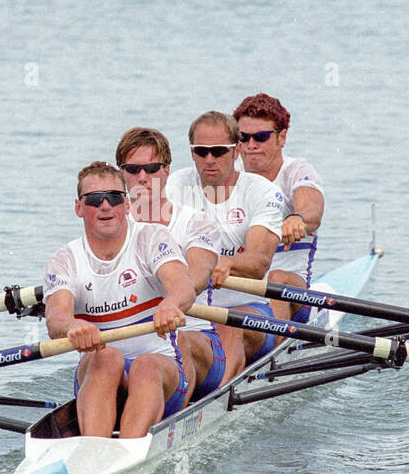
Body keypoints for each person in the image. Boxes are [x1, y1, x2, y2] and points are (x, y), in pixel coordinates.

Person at [43, 162, 195, 439]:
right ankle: (93, 450)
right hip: (100, 375)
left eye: (114, 197)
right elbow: (56, 318)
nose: (105, 206)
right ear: (78, 207)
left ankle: (128, 452)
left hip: (161, 375)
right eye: (93, 199)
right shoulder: (65, 259)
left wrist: (171, 304)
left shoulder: (150, 238)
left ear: (126, 205)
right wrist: (72, 325)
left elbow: (182, 284)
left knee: (145, 364)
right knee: (106, 356)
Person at [165, 111, 285, 375]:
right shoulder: (177, 185)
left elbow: (259, 263)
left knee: (227, 327)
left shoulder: (261, 191)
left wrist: (226, 262)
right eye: (201, 151)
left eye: (219, 151)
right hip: (190, 310)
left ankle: (215, 401)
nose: (209, 159)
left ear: (237, 150)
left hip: (247, 310)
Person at [115, 127, 228, 403]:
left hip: (193, 335)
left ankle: (173, 416)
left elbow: (199, 275)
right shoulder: (109, 228)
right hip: (135, 343)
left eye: (152, 168)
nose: (143, 177)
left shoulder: (196, 222)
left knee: (181, 341)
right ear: (121, 174)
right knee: (102, 358)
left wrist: (173, 302)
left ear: (166, 171)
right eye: (133, 169)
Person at [232, 92, 325, 324]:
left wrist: (298, 219)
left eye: (261, 137)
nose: (251, 145)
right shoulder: (228, 179)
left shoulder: (296, 171)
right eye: (243, 137)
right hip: (242, 291)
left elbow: (312, 210)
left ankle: (275, 352)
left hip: (293, 294)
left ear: (281, 137)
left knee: (275, 278)